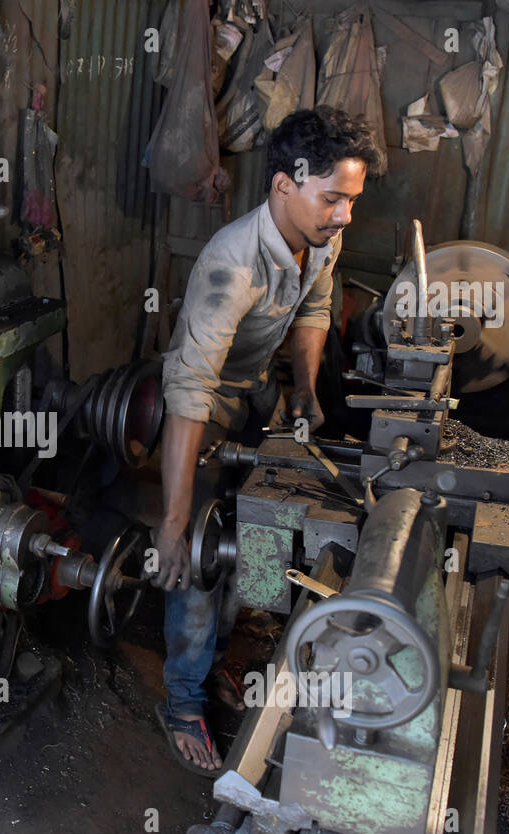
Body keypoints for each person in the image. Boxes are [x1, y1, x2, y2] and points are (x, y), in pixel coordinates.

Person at [151, 107, 380, 774]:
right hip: (206, 402)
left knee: (257, 532)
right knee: (197, 554)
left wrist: (304, 388)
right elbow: (189, 389)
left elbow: (313, 307)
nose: (344, 216)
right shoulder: (232, 265)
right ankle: (183, 699)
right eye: (332, 198)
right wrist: (171, 521)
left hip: (256, 388)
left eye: (352, 200)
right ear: (284, 185)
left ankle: (223, 654)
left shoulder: (322, 238)